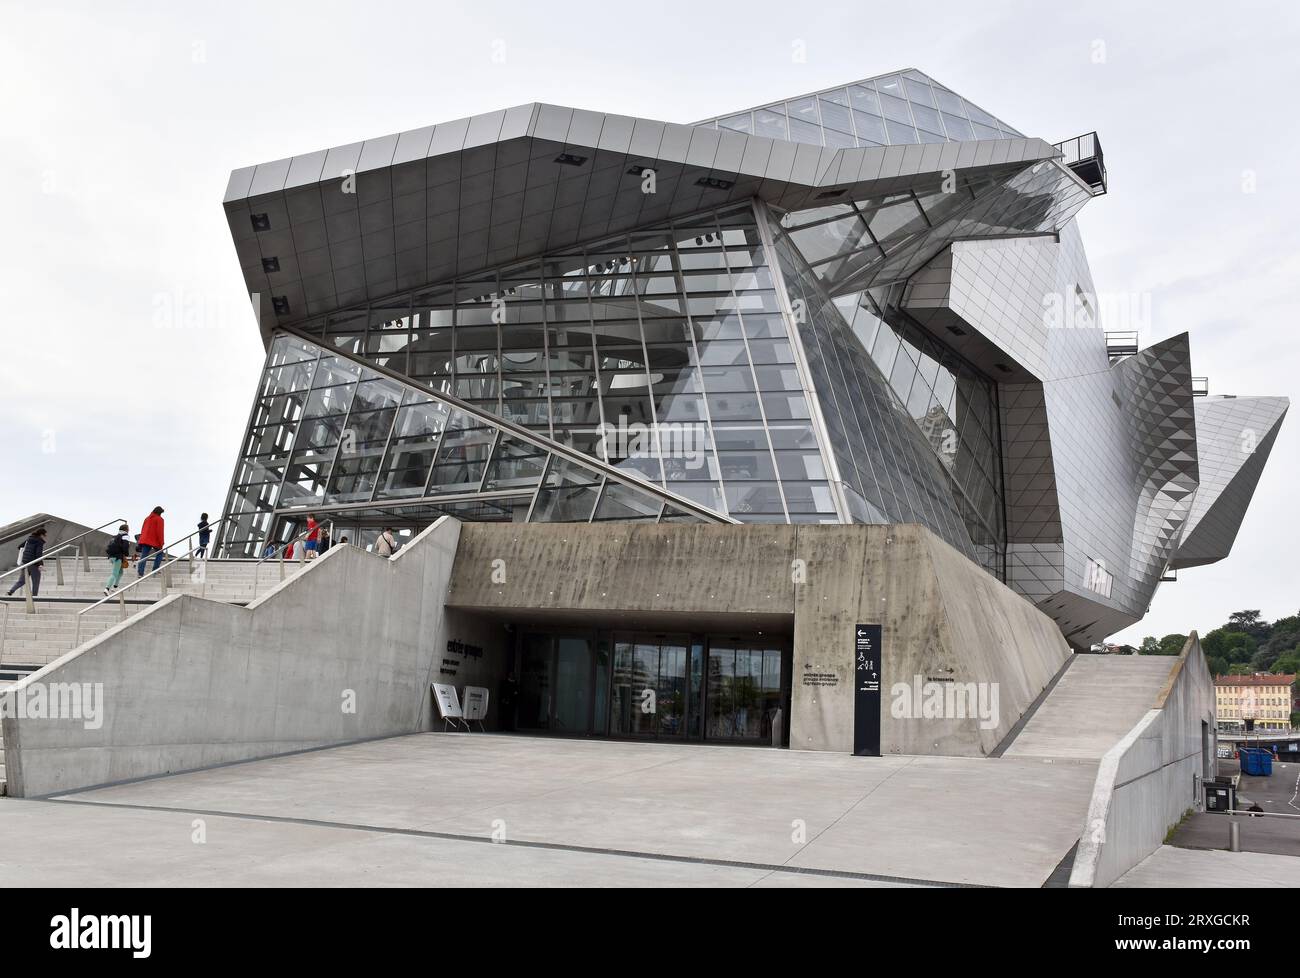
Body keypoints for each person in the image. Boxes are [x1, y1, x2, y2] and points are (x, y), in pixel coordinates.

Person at [6, 527, 47, 596]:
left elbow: (20, 547)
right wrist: (40, 565)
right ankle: (34, 596)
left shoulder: (29, 539)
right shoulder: (39, 542)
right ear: (41, 535)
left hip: (25, 563)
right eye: (45, 535)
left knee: (22, 581)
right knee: (36, 581)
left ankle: (11, 591)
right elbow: (38, 554)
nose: (45, 537)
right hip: (34, 564)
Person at [137, 506, 166, 576]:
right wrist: (161, 542)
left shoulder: (147, 518)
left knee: (144, 556)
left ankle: (140, 573)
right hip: (154, 540)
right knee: (160, 553)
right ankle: (155, 570)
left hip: (145, 539)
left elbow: (143, 529)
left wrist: (141, 540)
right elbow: (160, 532)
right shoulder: (159, 519)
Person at [104, 524, 131, 595]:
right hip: (118, 557)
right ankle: (107, 588)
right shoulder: (126, 536)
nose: (129, 530)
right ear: (126, 530)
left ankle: (115, 587)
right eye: (128, 529)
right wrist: (126, 554)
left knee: (121, 572)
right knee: (114, 573)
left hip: (111, 557)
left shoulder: (115, 536)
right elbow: (125, 546)